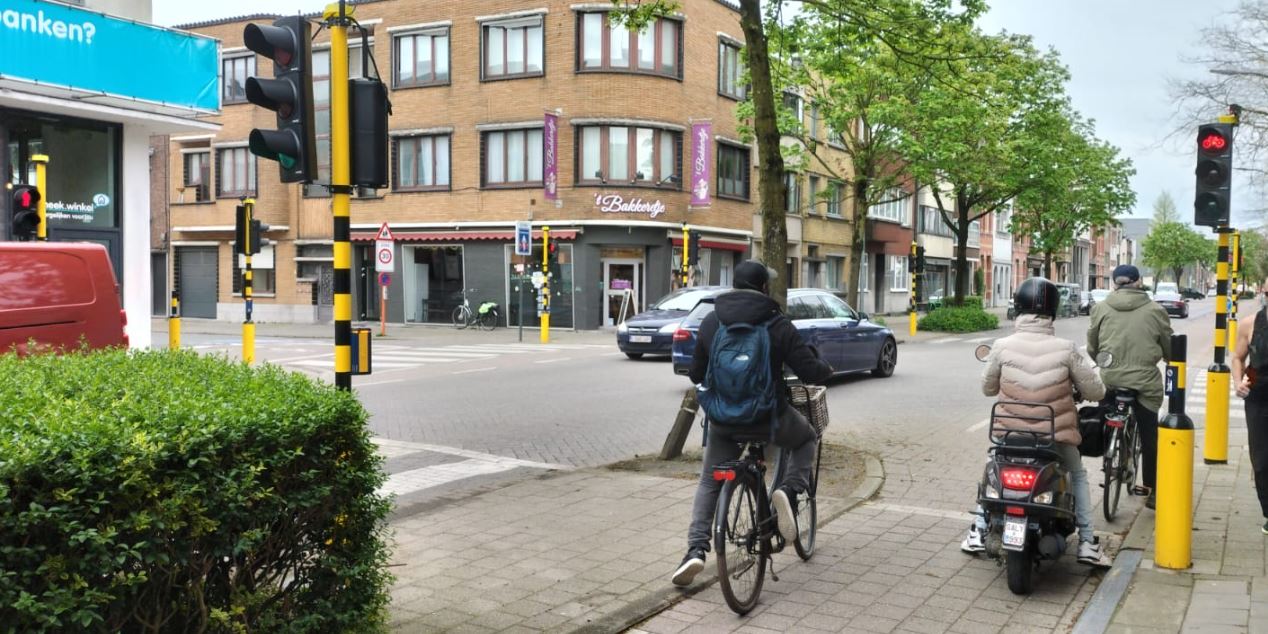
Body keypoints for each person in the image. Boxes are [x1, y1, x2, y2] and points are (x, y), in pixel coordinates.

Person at [670, 260, 834, 587]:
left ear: (734, 284)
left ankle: (695, 550)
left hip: (723, 419)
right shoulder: (777, 322)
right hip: (768, 417)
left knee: (708, 480)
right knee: (805, 439)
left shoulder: (712, 321)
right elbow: (810, 370)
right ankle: (788, 490)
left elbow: (697, 374)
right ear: (763, 288)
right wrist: (824, 368)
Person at [961, 277, 1110, 566]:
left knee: (992, 466)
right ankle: (1088, 543)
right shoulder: (1066, 348)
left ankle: (978, 530)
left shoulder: (1002, 345)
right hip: (1053, 437)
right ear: (1053, 310)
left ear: (1018, 308)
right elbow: (1095, 391)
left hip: (1009, 434)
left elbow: (988, 389)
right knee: (1077, 473)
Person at [1087, 264, 1172, 509]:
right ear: (1137, 282)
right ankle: (1153, 489)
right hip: (1145, 383)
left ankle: (1110, 455)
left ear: (1114, 283)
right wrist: (1168, 358)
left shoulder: (1100, 308)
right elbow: (1168, 345)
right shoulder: (1156, 310)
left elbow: (1092, 345)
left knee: (1107, 416)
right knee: (1149, 435)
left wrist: (1103, 364)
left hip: (1111, 378)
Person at [1230, 278, 1268, 535]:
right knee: (1262, 459)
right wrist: (1238, 382)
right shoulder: (1250, 324)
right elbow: (1238, 358)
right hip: (1259, 390)